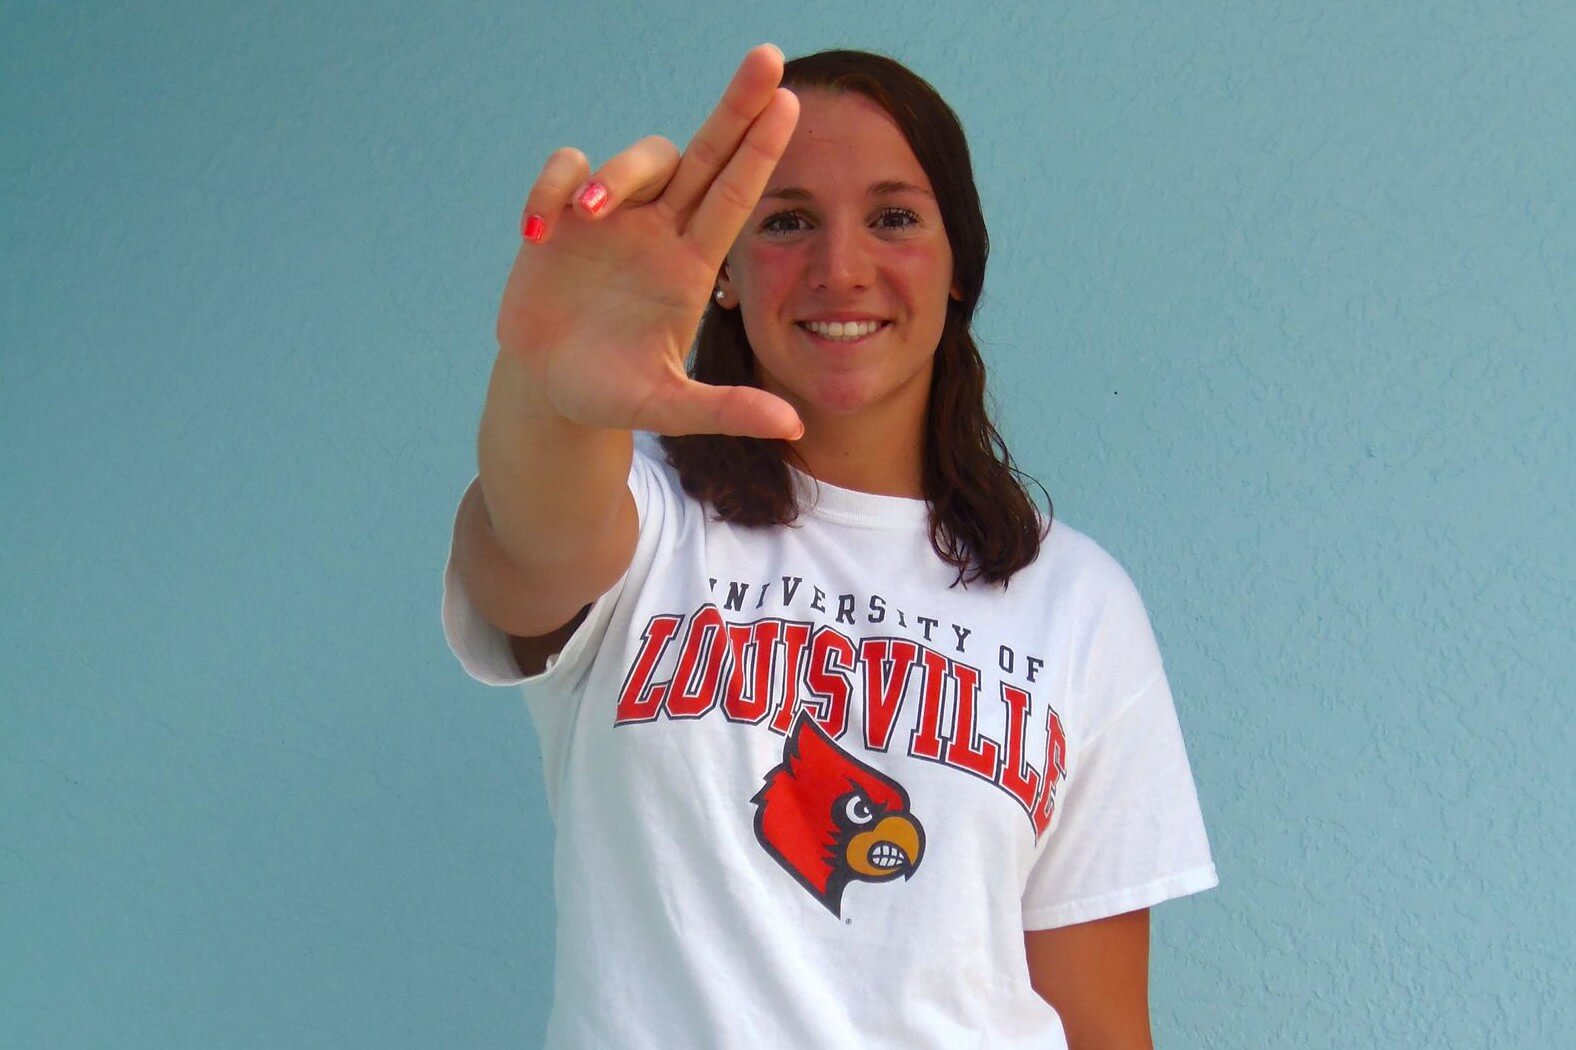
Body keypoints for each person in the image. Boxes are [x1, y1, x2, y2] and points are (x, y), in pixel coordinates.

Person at [442, 43, 1217, 1049]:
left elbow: (1102, 1023)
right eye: (787, 221)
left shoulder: (1077, 599)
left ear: (959, 267)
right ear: (724, 274)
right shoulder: (642, 514)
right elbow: (529, 554)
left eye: (893, 218)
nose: (840, 268)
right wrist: (546, 383)